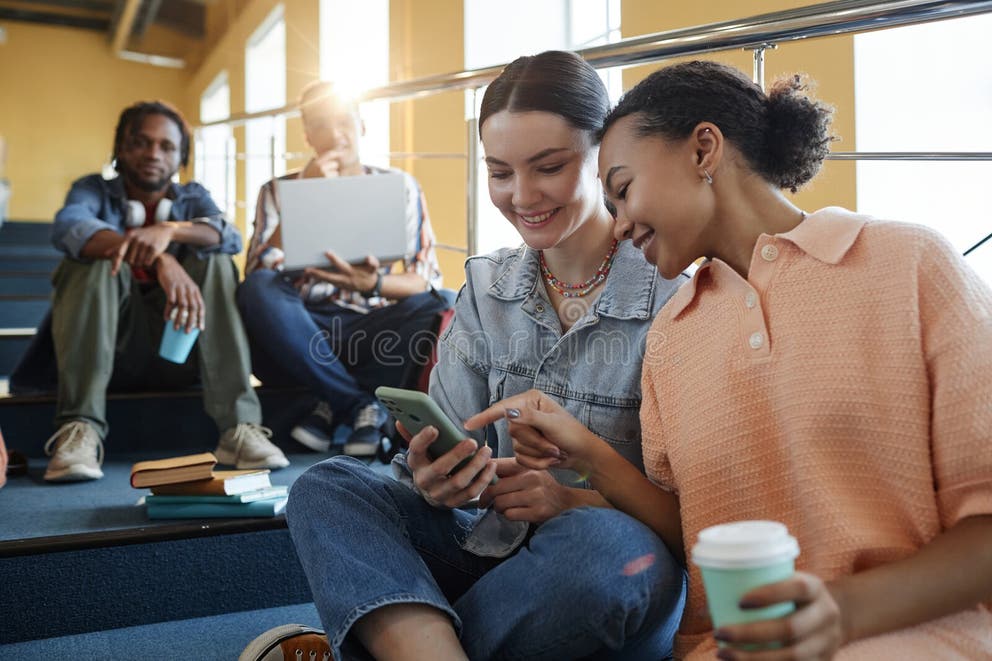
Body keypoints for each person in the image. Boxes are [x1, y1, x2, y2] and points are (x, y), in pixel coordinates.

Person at [474, 60, 992, 659]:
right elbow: (691, 533)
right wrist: (585, 454)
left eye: (622, 189)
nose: (616, 227)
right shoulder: (673, 336)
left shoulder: (909, 264)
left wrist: (843, 614)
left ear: (703, 149)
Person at [243, 51, 689, 660]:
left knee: (607, 550)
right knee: (325, 486)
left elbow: (696, 521)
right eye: (500, 172)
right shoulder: (485, 287)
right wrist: (439, 480)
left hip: (607, 572)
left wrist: (570, 500)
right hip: (490, 552)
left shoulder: (673, 291)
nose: (522, 195)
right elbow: (439, 476)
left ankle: (402, 640)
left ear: (604, 156)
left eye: (549, 167)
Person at [42, 100, 286, 482]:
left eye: (167, 146)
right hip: (108, 352)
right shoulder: (93, 190)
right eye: (141, 142)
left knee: (216, 258)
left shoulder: (192, 197)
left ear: (180, 157)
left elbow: (229, 234)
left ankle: (239, 429)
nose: (153, 154)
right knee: (90, 259)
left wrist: (170, 231)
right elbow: (70, 226)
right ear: (120, 150)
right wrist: (162, 260)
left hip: (181, 351)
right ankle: (80, 429)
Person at [236, 81, 450, 457]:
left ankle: (328, 404)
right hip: (301, 329)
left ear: (362, 124)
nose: (334, 134)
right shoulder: (277, 190)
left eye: (343, 121)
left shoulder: (400, 187)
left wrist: (374, 283)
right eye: (320, 124)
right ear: (306, 134)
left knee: (443, 301)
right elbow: (257, 271)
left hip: (369, 329)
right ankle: (356, 404)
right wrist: (305, 198)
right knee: (258, 289)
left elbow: (423, 277)